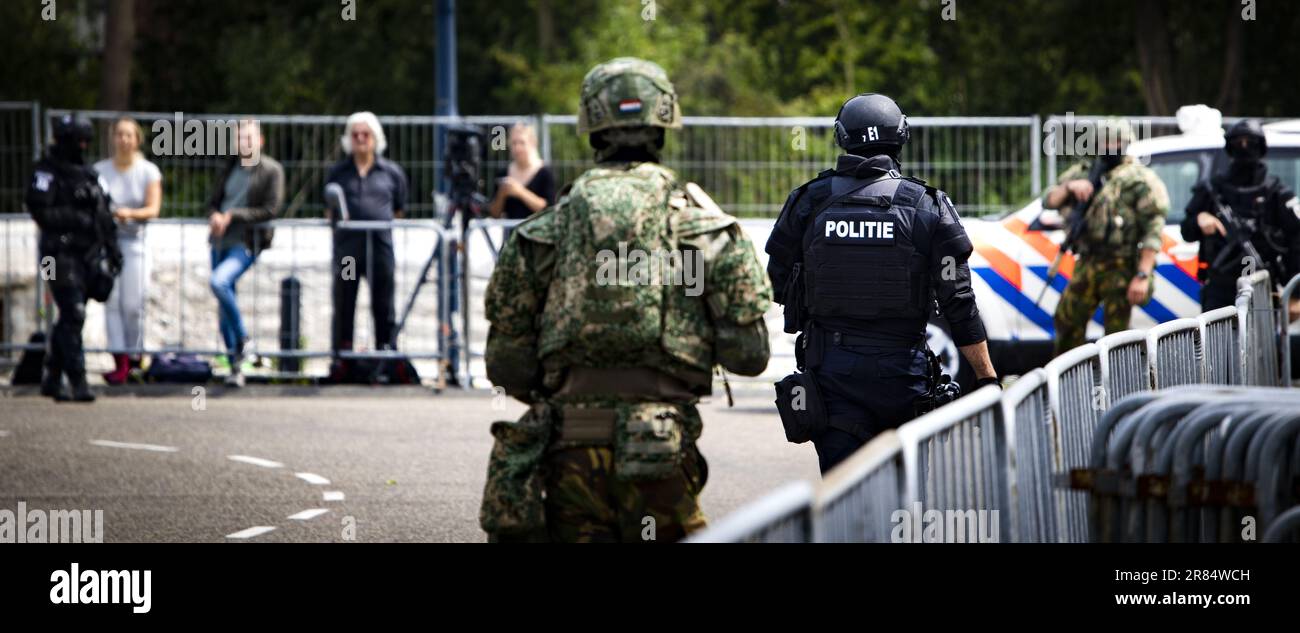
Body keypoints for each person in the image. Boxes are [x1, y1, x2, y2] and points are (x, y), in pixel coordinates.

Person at [480, 57, 772, 542]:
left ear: (591, 124)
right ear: (664, 121)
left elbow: (505, 365)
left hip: (567, 453)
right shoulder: (701, 229)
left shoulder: (543, 233)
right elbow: (750, 356)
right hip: (663, 457)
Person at [765, 93, 998, 475]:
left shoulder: (809, 201)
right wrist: (987, 377)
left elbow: (775, 284)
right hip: (903, 378)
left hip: (831, 376)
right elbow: (958, 302)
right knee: (903, 498)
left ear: (841, 138)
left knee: (844, 498)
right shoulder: (927, 205)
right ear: (900, 137)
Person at [1045, 118, 1170, 356]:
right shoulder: (1083, 172)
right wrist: (1071, 187)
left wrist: (1143, 274)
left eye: (1117, 142)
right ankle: (1070, 383)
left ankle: (1121, 387)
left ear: (1127, 144)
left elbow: (1154, 227)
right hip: (1088, 261)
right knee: (1066, 319)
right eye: (1105, 142)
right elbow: (1049, 200)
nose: (1111, 147)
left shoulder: (1138, 179)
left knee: (1117, 335)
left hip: (1121, 264)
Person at [26, 113, 121, 402]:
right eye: (76, 140)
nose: (81, 146)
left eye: (84, 141)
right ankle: (78, 380)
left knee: (72, 316)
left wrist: (114, 250)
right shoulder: (46, 171)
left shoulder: (91, 175)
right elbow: (39, 211)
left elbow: (105, 215)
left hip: (86, 256)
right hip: (53, 258)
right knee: (73, 312)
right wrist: (75, 217)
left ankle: (51, 377)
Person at [1181, 118, 1300, 311]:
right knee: (1217, 341)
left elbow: (1297, 241)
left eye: (1250, 142)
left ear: (1260, 146)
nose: (1244, 147)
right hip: (1220, 288)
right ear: (1230, 147)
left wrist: (1296, 295)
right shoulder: (1213, 189)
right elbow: (1187, 231)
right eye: (1238, 142)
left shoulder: (1277, 193)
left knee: (1261, 341)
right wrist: (1199, 220)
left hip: (1263, 285)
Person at [326, 112, 408, 366]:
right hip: (349, 251)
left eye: (365, 134)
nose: (360, 139)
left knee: (383, 303)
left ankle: (385, 359)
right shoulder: (338, 172)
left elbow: (399, 209)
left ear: (375, 138)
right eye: (355, 134)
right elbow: (329, 209)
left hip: (380, 249)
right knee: (345, 300)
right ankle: (343, 361)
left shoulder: (391, 172)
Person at [206, 120, 284, 388]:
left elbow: (270, 209)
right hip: (219, 240)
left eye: (249, 138)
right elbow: (213, 202)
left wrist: (232, 215)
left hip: (247, 242)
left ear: (260, 141)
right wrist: (215, 215)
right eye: (240, 138)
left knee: (219, 281)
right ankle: (235, 364)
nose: (244, 143)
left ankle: (244, 340)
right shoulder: (229, 167)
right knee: (224, 304)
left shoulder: (272, 170)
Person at [93, 117, 162, 385]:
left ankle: (135, 354)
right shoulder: (99, 171)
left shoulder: (148, 171)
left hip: (135, 242)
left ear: (136, 140)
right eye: (119, 134)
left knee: (133, 304)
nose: (123, 140)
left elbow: (153, 208)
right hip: (107, 243)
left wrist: (129, 214)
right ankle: (119, 359)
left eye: (128, 135)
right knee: (111, 301)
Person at [489, 122, 556, 231]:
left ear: (533, 143)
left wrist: (520, 192)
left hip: (538, 235)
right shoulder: (503, 173)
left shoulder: (545, 173)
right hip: (511, 237)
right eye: (514, 143)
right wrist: (501, 195)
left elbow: (549, 210)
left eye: (522, 143)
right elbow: (494, 214)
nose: (517, 148)